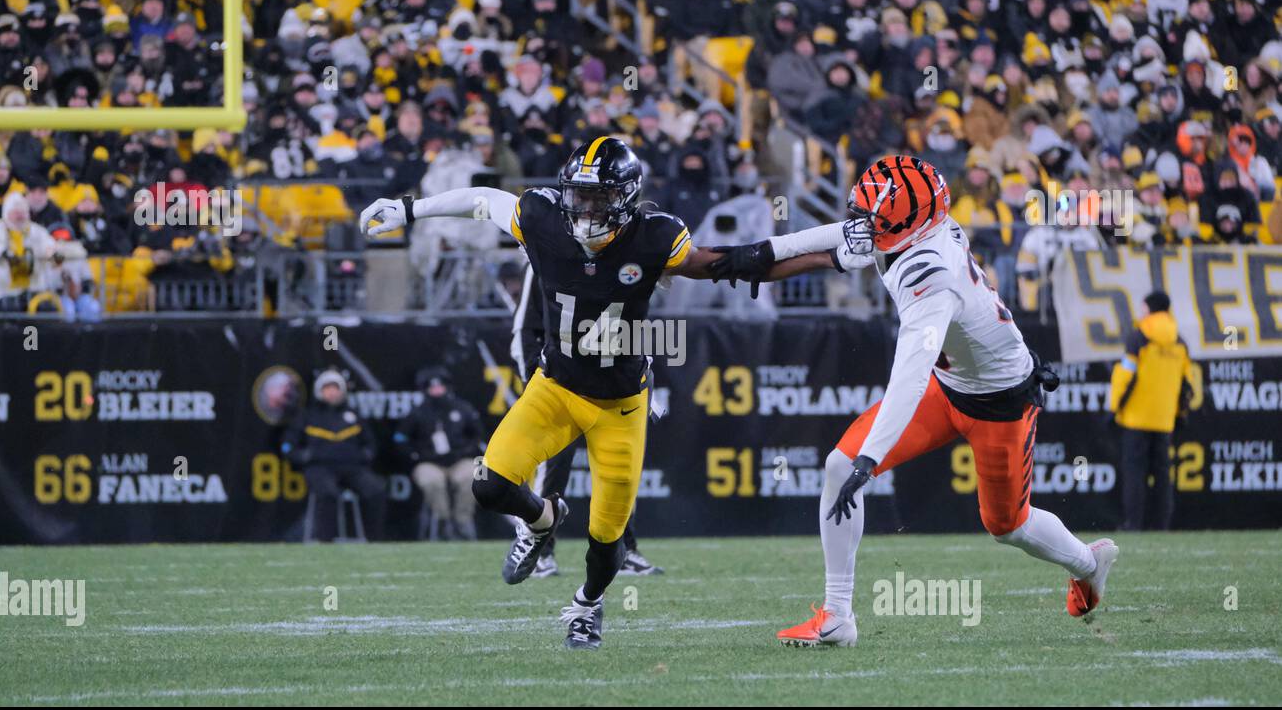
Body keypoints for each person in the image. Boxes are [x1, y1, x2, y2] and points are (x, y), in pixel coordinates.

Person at [709, 155, 1119, 647]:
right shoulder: (914, 230)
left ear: (907, 223)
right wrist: (750, 253)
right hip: (949, 384)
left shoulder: (929, 272)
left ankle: (1089, 563)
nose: (861, 227)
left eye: (873, 219)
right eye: (862, 212)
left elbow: (908, 375)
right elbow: (832, 237)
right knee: (838, 466)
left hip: (998, 400)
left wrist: (872, 458)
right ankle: (837, 616)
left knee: (1007, 524)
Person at [359, 137, 722, 648]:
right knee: (490, 485)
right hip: (556, 384)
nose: (586, 210)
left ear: (626, 198)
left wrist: (802, 253)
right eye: (579, 197)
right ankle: (542, 523)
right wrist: (410, 207)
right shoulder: (546, 223)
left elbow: (713, 267)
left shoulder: (654, 236)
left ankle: (586, 606)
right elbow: (484, 201)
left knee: (607, 538)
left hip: (620, 402)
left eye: (599, 199)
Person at [510, 266, 665, 579]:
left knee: (620, 469)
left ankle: (624, 549)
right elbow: (525, 329)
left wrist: (642, 382)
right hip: (560, 384)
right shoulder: (547, 254)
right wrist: (536, 382)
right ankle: (541, 549)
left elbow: (628, 330)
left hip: (611, 384)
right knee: (554, 467)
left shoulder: (620, 258)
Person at [1108, 291, 1193, 531]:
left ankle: (1133, 524)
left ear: (1148, 308)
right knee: (1163, 477)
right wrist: (1180, 414)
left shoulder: (1139, 337)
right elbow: (1187, 384)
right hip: (1164, 419)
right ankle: (1162, 526)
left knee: (1135, 474)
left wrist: (1115, 408)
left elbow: (1126, 375)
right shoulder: (1180, 342)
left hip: (1136, 417)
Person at [282, 370, 387, 541]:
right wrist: (305, 456)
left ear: (342, 391)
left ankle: (375, 541)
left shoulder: (353, 415)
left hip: (353, 468)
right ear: (319, 391)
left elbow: (370, 443)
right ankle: (326, 542)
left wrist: (365, 455)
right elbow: (289, 446)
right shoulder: (307, 415)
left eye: (335, 388)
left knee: (376, 490)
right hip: (319, 468)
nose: (332, 392)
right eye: (327, 388)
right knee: (328, 493)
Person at [394, 365, 484, 541]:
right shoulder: (416, 413)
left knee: (472, 476)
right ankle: (443, 522)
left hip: (459, 460)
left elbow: (478, 435)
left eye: (440, 386)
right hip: (429, 462)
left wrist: (466, 450)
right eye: (432, 387)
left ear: (447, 387)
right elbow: (400, 440)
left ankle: (462, 522)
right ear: (425, 389)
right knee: (432, 480)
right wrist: (417, 455)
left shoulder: (462, 408)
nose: (436, 390)